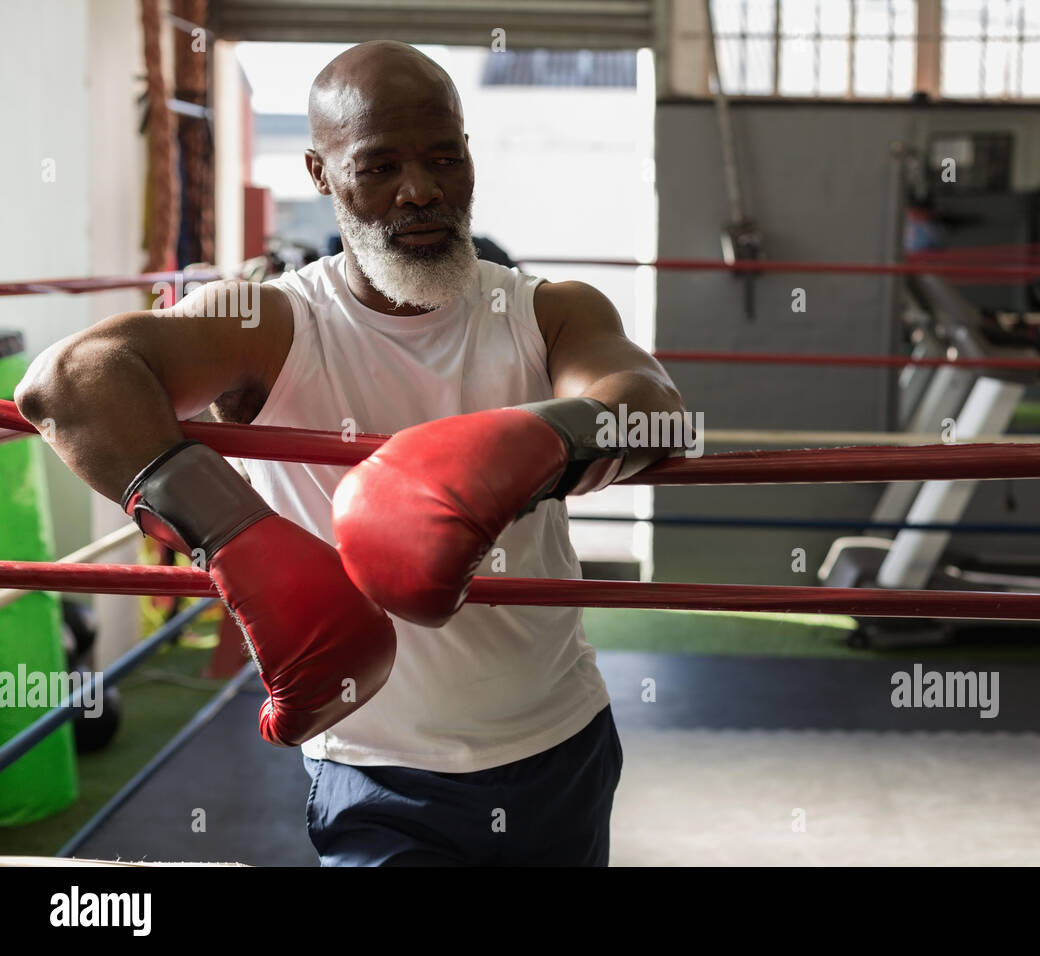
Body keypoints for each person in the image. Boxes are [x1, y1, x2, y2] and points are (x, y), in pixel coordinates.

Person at [16, 39, 688, 866]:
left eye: (445, 157)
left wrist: (530, 442)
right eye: (379, 167)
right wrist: (238, 537)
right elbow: (70, 381)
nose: (422, 191)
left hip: (560, 739)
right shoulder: (273, 324)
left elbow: (652, 410)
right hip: (375, 772)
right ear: (320, 173)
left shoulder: (548, 313)